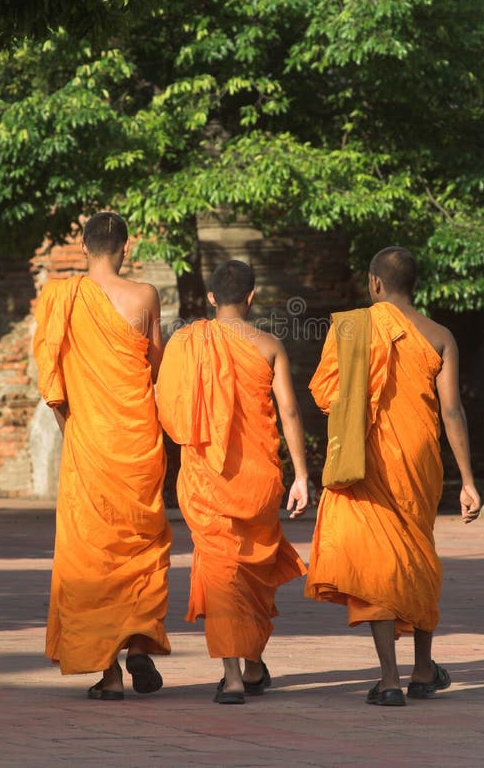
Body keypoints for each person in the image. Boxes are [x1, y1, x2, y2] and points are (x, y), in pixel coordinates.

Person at [305, 246, 480, 706]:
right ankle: (423, 668)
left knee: (379, 563)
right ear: (413, 285)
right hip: (420, 460)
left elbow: (327, 395)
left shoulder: (352, 328)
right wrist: (468, 481)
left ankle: (388, 679)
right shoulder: (440, 335)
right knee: (419, 554)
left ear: (374, 284)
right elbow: (453, 411)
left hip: (368, 458)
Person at [156, 259, 309, 704]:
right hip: (259, 479)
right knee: (255, 572)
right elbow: (290, 412)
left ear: (209, 298)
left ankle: (235, 676)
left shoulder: (185, 341)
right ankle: (254, 663)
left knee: (221, 570)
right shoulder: (269, 345)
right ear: (251, 295)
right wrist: (301, 475)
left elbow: (166, 403)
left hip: (208, 479)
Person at [32, 211, 171, 701]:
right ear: (126, 248)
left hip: (89, 445)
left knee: (90, 555)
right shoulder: (145, 296)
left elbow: (52, 384)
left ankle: (109, 674)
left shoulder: (59, 298)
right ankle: (138, 646)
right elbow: (156, 367)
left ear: (85, 247)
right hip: (136, 444)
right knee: (140, 547)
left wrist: (74, 433)